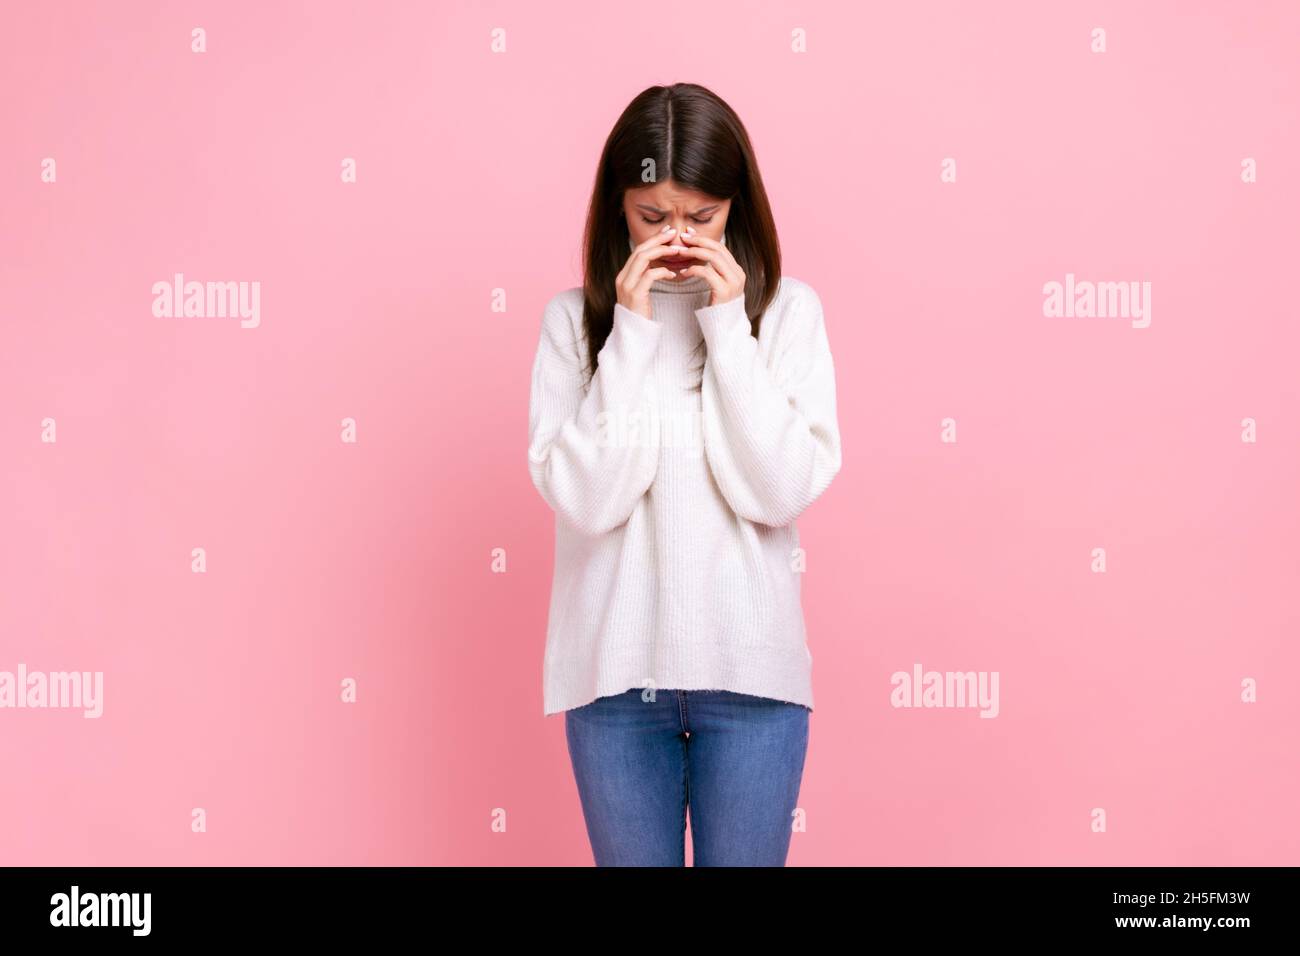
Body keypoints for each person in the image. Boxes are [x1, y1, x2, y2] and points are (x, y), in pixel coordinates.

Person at [526, 82, 843, 866]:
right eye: (651, 215)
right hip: (612, 684)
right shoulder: (576, 323)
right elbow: (589, 502)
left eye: (700, 217)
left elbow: (777, 492)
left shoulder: (787, 315)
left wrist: (727, 329)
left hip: (752, 682)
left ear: (735, 207)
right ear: (616, 210)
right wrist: (630, 337)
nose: (676, 238)